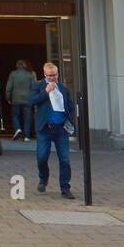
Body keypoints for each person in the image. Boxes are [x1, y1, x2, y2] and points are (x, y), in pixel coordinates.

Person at [30, 62, 77, 199]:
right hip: (45, 128)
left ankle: (65, 188)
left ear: (58, 74)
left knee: (64, 159)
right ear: (44, 75)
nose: (52, 78)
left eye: (54, 75)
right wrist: (46, 92)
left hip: (60, 129)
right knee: (42, 157)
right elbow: (32, 101)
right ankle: (43, 178)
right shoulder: (38, 86)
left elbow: (70, 106)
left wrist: (70, 120)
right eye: (49, 76)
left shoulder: (63, 89)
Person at [5, 59, 36, 142]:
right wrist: (33, 98)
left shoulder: (13, 74)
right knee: (27, 117)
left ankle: (17, 128)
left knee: (15, 115)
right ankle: (26, 136)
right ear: (25, 66)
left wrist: (8, 97)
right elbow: (34, 87)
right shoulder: (30, 75)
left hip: (15, 99)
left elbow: (9, 87)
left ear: (17, 66)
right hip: (27, 99)